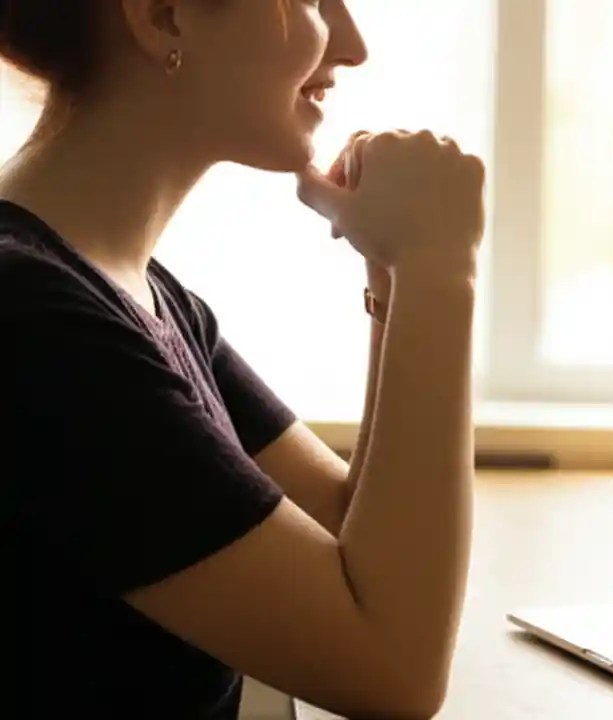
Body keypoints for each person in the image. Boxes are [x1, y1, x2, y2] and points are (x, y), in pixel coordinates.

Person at [0, 0, 485, 717]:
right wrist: (440, 269)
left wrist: (394, 270)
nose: (351, 45)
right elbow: (394, 672)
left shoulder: (135, 296)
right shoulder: (36, 325)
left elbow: (350, 530)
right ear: (164, 16)